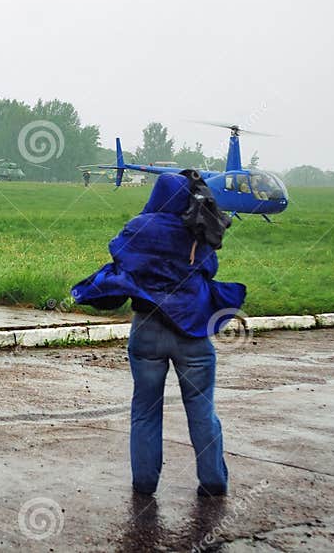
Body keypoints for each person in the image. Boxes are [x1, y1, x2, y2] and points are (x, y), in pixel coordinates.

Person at [71, 173, 245, 497]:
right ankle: (213, 481)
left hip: (146, 329)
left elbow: (120, 256)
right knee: (201, 409)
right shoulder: (195, 230)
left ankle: (145, 484)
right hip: (192, 332)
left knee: (145, 410)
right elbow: (211, 269)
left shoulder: (138, 226)